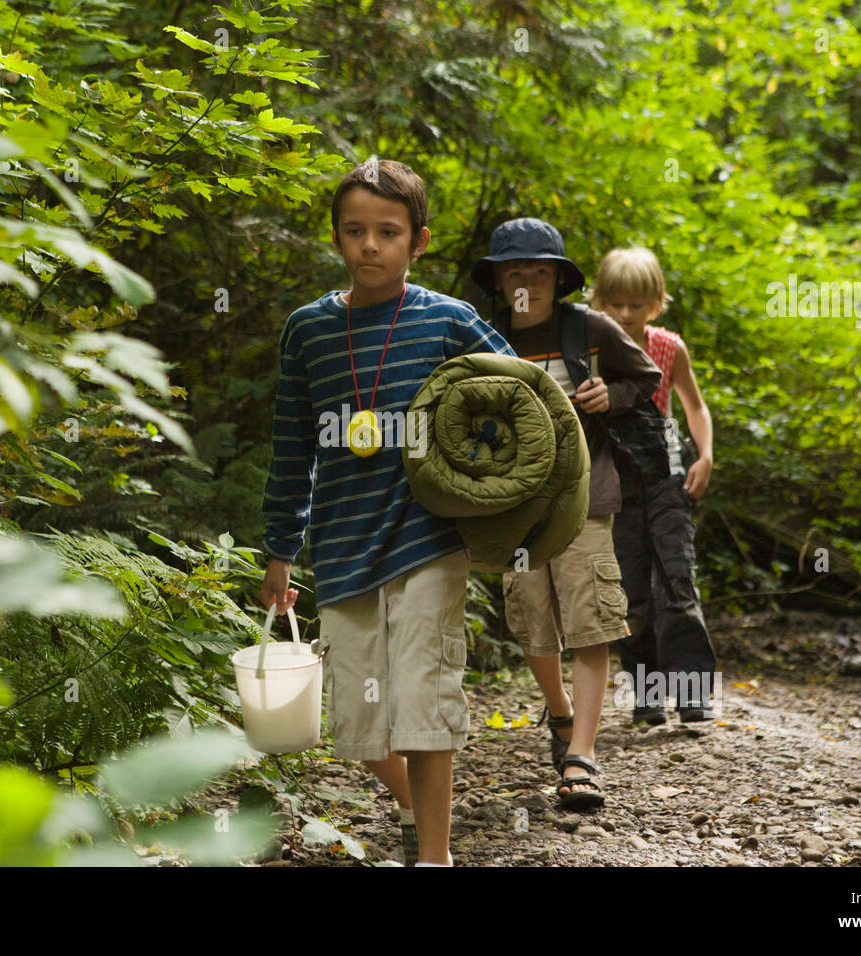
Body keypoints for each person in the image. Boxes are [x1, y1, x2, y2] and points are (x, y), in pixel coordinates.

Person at [260, 159, 513, 866]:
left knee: (424, 706)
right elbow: (290, 445)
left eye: (388, 232)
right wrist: (281, 550)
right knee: (359, 724)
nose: (371, 246)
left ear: (419, 241)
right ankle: (407, 806)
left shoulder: (449, 319)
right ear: (337, 237)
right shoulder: (307, 330)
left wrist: (482, 468)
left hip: (427, 541)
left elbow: (519, 400)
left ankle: (435, 857)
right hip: (341, 548)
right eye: (355, 231)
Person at [470, 219, 661, 809]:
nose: (528, 281)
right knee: (531, 619)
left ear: (559, 278)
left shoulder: (591, 327)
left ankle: (582, 753)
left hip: (587, 495)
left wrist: (613, 395)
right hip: (510, 503)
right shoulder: (480, 335)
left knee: (590, 620)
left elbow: (646, 377)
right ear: (499, 281)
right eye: (515, 271)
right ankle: (560, 711)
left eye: (540, 271)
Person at [591, 247, 718, 724]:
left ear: (655, 304)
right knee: (628, 588)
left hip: (666, 476)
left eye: (636, 305)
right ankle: (646, 694)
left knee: (676, 577)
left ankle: (691, 693)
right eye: (616, 304)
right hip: (614, 481)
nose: (626, 315)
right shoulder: (591, 348)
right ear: (600, 301)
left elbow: (695, 405)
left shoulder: (668, 347)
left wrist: (705, 456)